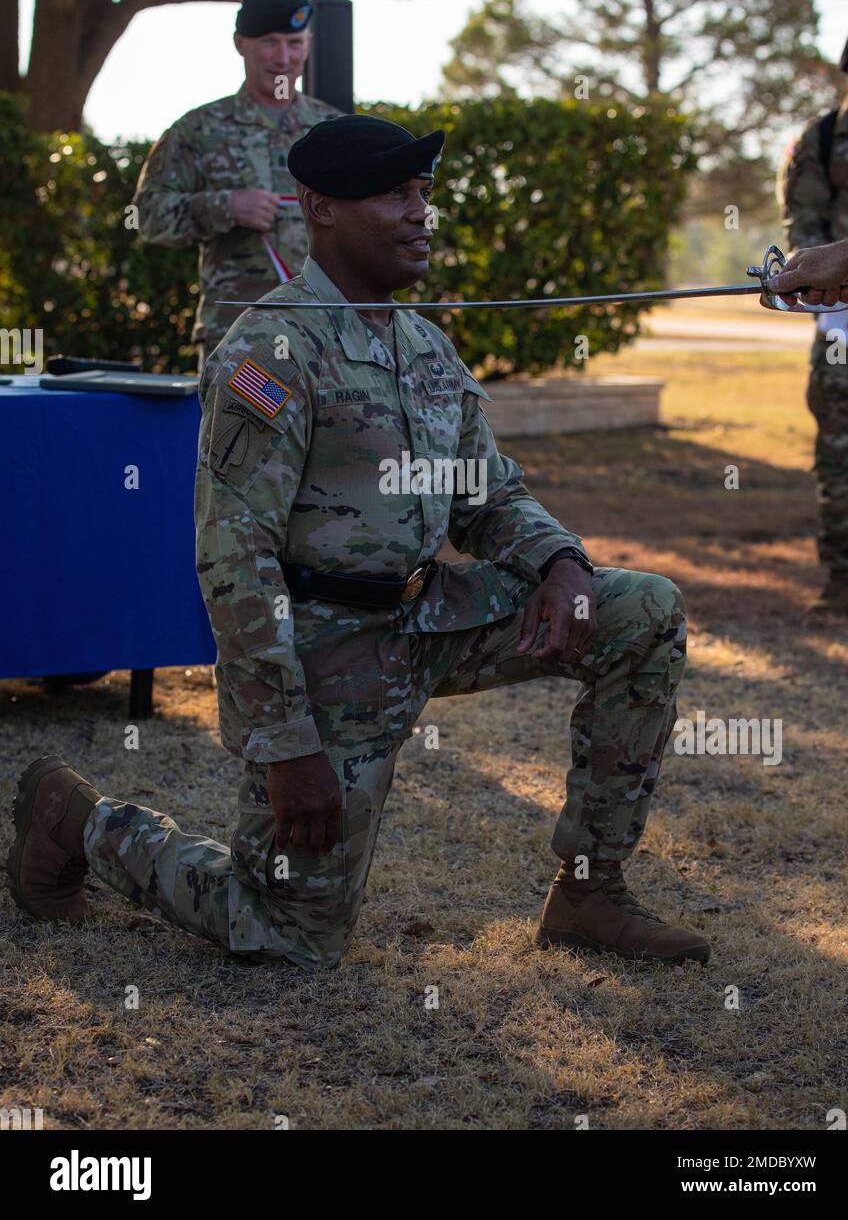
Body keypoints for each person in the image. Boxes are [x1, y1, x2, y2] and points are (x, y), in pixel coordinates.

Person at [7, 117, 708, 970]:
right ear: (322, 209)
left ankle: (590, 893)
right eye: (396, 194)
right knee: (287, 933)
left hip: (428, 617)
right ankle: (75, 820)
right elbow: (236, 557)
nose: (422, 214)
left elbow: (484, 496)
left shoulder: (422, 345)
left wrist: (562, 565)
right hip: (326, 651)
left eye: (424, 195)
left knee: (642, 610)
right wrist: (286, 741)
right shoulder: (270, 352)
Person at [134, 0, 341, 372]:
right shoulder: (198, 129)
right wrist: (223, 207)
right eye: (269, 42)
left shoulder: (337, 130)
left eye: (294, 43)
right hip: (238, 335)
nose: (283, 58)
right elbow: (146, 216)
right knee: (237, 436)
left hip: (330, 332)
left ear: (309, 43)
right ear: (239, 43)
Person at [778, 23, 848, 616]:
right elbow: (803, 223)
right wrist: (828, 280)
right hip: (846, 322)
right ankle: (840, 581)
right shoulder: (823, 138)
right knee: (840, 451)